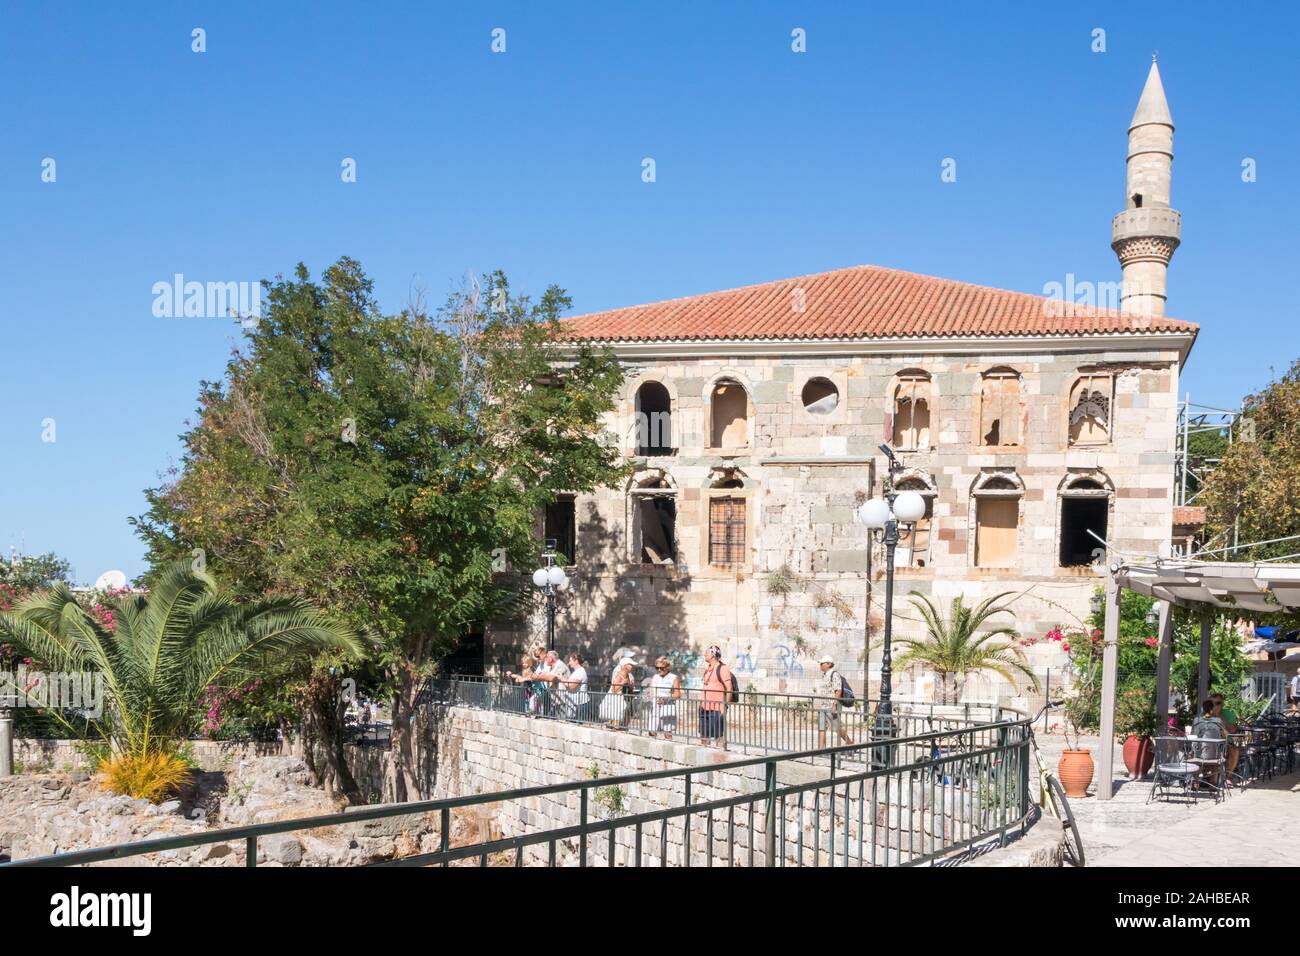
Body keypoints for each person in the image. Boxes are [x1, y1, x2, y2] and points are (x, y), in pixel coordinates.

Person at [816, 655, 853, 749]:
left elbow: (838, 690)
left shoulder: (834, 674)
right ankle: (821, 749)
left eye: (822, 664)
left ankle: (851, 744)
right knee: (821, 727)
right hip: (823, 705)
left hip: (831, 705)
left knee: (837, 728)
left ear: (829, 664)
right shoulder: (824, 675)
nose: (820, 666)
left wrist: (835, 704)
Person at [699, 645, 732, 749]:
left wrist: (725, 706)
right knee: (704, 736)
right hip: (704, 708)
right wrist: (700, 705)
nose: (704, 654)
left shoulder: (723, 669)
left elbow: (729, 689)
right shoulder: (707, 669)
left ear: (713, 655)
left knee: (719, 736)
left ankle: (721, 758)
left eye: (706, 653)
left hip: (718, 709)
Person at [1190, 699, 1226, 788]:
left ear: (1202, 708)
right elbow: (1224, 735)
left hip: (1198, 755)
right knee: (1217, 753)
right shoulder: (1218, 721)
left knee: (1194, 752)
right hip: (1214, 755)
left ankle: (1195, 782)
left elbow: (1192, 735)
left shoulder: (1196, 720)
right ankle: (1213, 783)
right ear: (1212, 709)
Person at [647, 657, 682, 739]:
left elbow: (678, 694)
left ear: (667, 667)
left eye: (661, 668)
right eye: (657, 668)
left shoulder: (674, 677)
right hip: (655, 707)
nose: (659, 670)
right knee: (652, 732)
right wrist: (648, 694)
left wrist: (666, 699)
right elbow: (651, 690)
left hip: (667, 707)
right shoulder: (655, 677)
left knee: (667, 734)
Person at [1209, 693, 1242, 782]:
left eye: (1218, 703)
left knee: (1234, 751)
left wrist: (1219, 716)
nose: (1215, 706)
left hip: (1226, 743)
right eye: (1212, 703)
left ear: (1222, 704)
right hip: (1209, 743)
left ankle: (1228, 776)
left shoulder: (1228, 714)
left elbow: (1232, 731)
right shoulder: (1204, 714)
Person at [600, 658, 637, 729]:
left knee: (622, 713)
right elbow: (614, 689)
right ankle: (616, 726)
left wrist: (630, 685)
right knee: (616, 713)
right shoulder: (620, 674)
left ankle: (619, 726)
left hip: (622, 699)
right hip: (617, 699)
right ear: (625, 665)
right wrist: (623, 683)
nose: (632, 666)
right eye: (630, 665)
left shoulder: (627, 674)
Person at [559, 652, 590, 722]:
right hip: (574, 703)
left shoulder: (580, 671)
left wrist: (561, 678)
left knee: (580, 727)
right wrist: (566, 678)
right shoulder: (577, 671)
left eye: (570, 661)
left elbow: (571, 685)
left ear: (576, 661)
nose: (569, 663)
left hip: (580, 704)